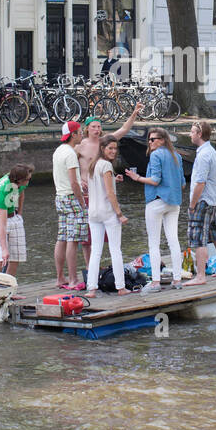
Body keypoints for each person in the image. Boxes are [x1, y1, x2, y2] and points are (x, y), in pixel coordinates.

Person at [75, 103, 142, 266]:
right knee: (87, 239)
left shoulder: (105, 143)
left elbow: (124, 130)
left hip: (102, 195)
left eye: (99, 126)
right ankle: (90, 265)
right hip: (87, 195)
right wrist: (78, 181)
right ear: (87, 129)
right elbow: (69, 167)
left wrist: (134, 113)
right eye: (93, 127)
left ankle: (97, 266)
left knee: (102, 238)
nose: (97, 130)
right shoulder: (80, 146)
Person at [125, 127, 186, 293]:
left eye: (153, 139)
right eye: (149, 139)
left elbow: (155, 180)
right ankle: (177, 279)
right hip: (174, 203)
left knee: (154, 243)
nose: (150, 142)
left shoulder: (156, 155)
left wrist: (137, 178)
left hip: (156, 201)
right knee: (173, 240)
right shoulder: (177, 156)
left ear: (163, 140)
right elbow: (182, 183)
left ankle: (156, 282)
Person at [187, 120, 216, 283]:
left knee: (198, 237)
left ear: (199, 134)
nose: (190, 134)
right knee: (214, 234)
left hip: (203, 201)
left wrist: (192, 205)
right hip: (212, 200)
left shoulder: (204, 155)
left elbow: (200, 183)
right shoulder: (210, 151)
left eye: (192, 132)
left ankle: (200, 276)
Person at [85, 134, 129, 297]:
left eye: (115, 148)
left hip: (93, 213)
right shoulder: (107, 167)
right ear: (102, 149)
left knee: (96, 250)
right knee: (115, 249)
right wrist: (120, 214)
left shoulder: (93, 165)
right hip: (108, 213)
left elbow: (100, 186)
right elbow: (110, 193)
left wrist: (114, 180)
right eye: (110, 148)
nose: (114, 151)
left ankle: (91, 288)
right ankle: (121, 287)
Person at [52, 121, 88, 289]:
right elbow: (74, 183)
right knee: (73, 240)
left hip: (60, 197)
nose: (82, 134)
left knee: (62, 237)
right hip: (72, 198)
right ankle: (73, 280)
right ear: (73, 135)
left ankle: (60, 277)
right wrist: (81, 202)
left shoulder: (58, 151)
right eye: (80, 132)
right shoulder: (71, 154)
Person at [0, 163, 33, 281]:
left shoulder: (21, 182)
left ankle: (7, 288)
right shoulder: (4, 189)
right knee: (0, 257)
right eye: (27, 179)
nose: (29, 181)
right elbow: (2, 223)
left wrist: (19, 213)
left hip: (13, 214)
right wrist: (4, 248)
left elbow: (21, 193)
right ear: (20, 180)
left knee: (16, 256)